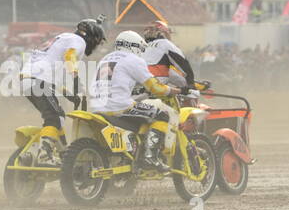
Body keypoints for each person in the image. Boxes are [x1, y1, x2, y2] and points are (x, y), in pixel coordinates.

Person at [88, 30, 180, 173]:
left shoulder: (105, 59)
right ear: (134, 46)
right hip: (119, 108)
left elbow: (115, 83)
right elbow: (155, 87)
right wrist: (173, 90)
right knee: (162, 115)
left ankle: (134, 150)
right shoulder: (133, 59)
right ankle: (150, 157)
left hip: (96, 107)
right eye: (141, 49)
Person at [19, 17, 106, 161]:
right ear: (90, 36)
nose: (95, 45)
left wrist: (68, 94)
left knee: (58, 117)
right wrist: (76, 79)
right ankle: (44, 154)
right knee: (54, 118)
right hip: (38, 80)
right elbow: (69, 56)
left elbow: (52, 76)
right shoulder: (79, 41)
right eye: (96, 41)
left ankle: (63, 153)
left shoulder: (63, 38)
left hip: (29, 79)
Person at [142, 20, 197, 90]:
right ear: (162, 32)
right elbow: (183, 63)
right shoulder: (165, 43)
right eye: (168, 33)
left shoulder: (143, 47)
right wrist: (191, 83)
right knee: (193, 93)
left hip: (140, 83)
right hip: (156, 86)